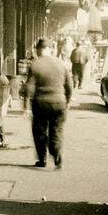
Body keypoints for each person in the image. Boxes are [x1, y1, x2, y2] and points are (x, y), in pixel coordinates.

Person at [24, 37, 73, 169]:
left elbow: (29, 87)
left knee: (40, 132)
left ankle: (42, 159)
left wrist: (26, 107)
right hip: (59, 102)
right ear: (50, 50)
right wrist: (67, 101)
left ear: (39, 50)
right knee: (56, 130)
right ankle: (57, 154)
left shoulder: (35, 65)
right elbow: (69, 86)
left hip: (41, 103)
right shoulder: (61, 64)